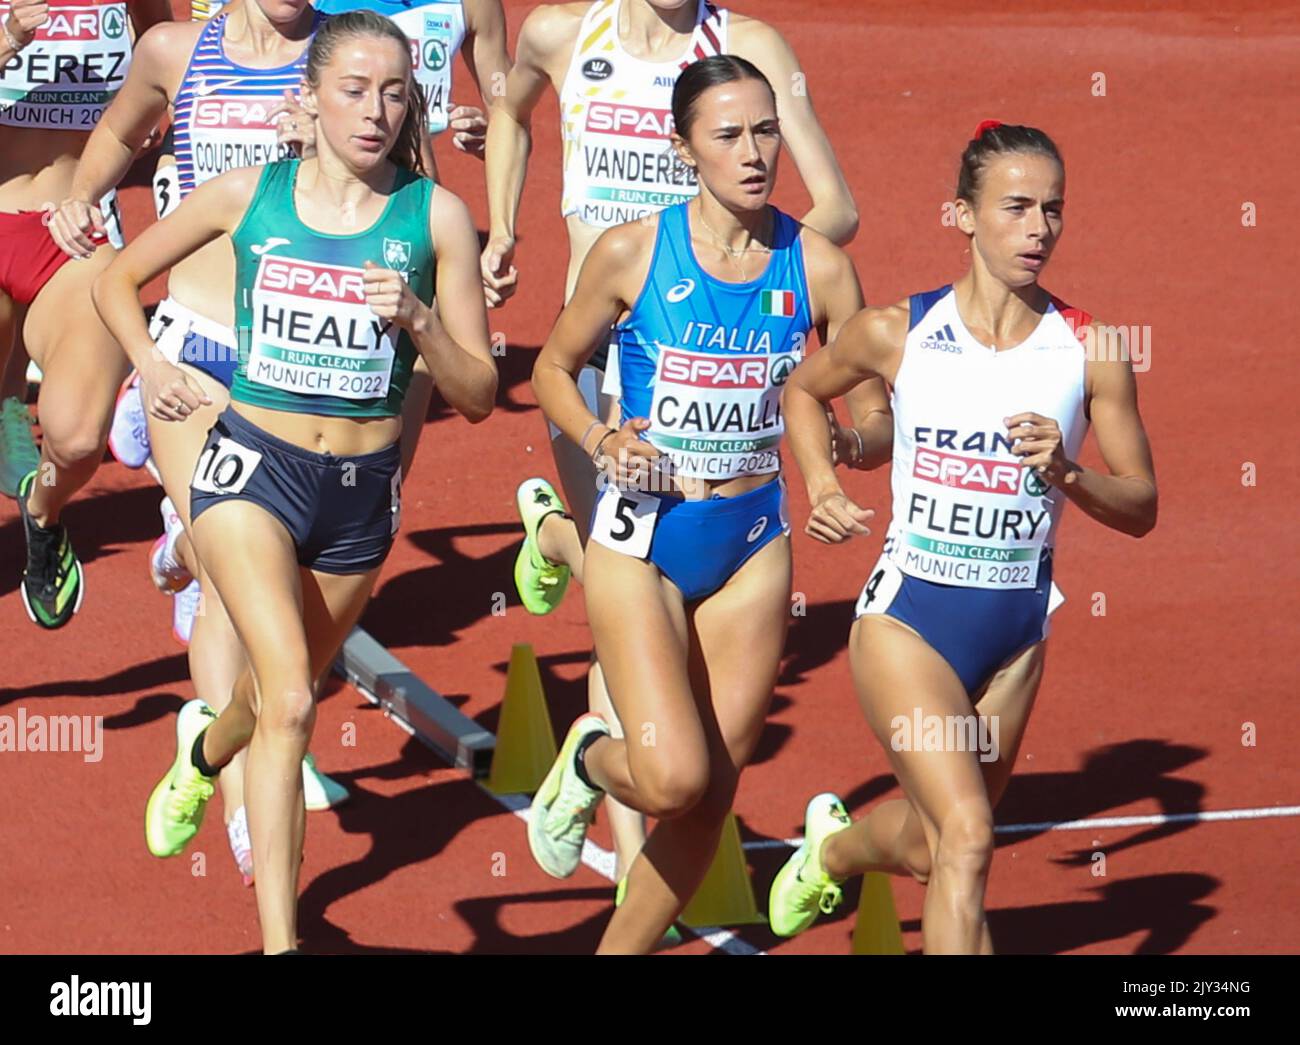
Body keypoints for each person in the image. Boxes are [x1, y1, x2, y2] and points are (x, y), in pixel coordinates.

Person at [93, 10, 497, 952]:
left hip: (359, 497)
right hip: (251, 470)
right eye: (353, 90)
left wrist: (424, 324)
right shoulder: (246, 196)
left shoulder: (434, 219)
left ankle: (202, 751)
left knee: (271, 695)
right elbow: (120, 278)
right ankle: (285, 941)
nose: (374, 110)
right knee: (293, 704)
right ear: (307, 100)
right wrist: (153, 373)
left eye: (394, 93)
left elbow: (477, 390)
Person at [482, 0, 859, 899]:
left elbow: (836, 207)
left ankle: (612, 798)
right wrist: (504, 223)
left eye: (754, 133)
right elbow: (507, 102)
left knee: (647, 632)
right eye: (730, 137)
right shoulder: (560, 32)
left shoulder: (750, 46)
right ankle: (625, 811)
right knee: (623, 587)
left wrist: (761, 271)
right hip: (605, 370)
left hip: (711, 345)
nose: (751, 147)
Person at [769, 121, 1158, 954]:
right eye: (1016, 208)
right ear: (962, 215)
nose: (1039, 229)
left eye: (1052, 210)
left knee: (932, 840)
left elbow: (1142, 504)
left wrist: (1069, 473)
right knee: (971, 839)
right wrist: (827, 482)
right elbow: (803, 390)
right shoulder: (897, 331)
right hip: (907, 624)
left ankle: (831, 850)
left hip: (1016, 640)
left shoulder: (1096, 350)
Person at [47, 0, 348, 885]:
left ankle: (184, 569)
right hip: (195, 345)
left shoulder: (349, 54)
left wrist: (327, 149)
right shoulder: (178, 49)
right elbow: (116, 132)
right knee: (230, 586)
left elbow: (410, 186)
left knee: (285, 579)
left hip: (301, 362)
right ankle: (248, 808)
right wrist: (76, 203)